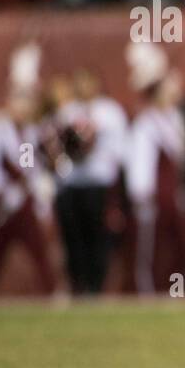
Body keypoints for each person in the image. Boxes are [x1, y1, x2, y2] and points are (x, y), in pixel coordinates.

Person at [47, 69, 129, 294]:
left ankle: (96, 286)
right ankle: (77, 284)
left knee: (98, 237)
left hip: (99, 183)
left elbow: (120, 151)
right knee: (73, 238)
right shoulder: (66, 111)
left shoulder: (110, 111)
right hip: (70, 183)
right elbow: (52, 146)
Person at [125, 43, 185, 295]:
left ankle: (173, 290)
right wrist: (142, 194)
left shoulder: (175, 118)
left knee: (183, 244)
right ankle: (148, 293)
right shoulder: (146, 123)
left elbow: (179, 162)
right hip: (154, 198)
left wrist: (180, 191)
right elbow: (141, 163)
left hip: (172, 195)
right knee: (150, 248)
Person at [0, 82, 56, 296]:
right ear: (9, 104)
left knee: (38, 250)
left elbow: (28, 169)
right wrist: (4, 190)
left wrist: (36, 198)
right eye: (19, 102)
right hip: (1, 207)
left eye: (27, 103)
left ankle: (53, 294)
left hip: (23, 204)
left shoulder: (29, 136)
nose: (23, 108)